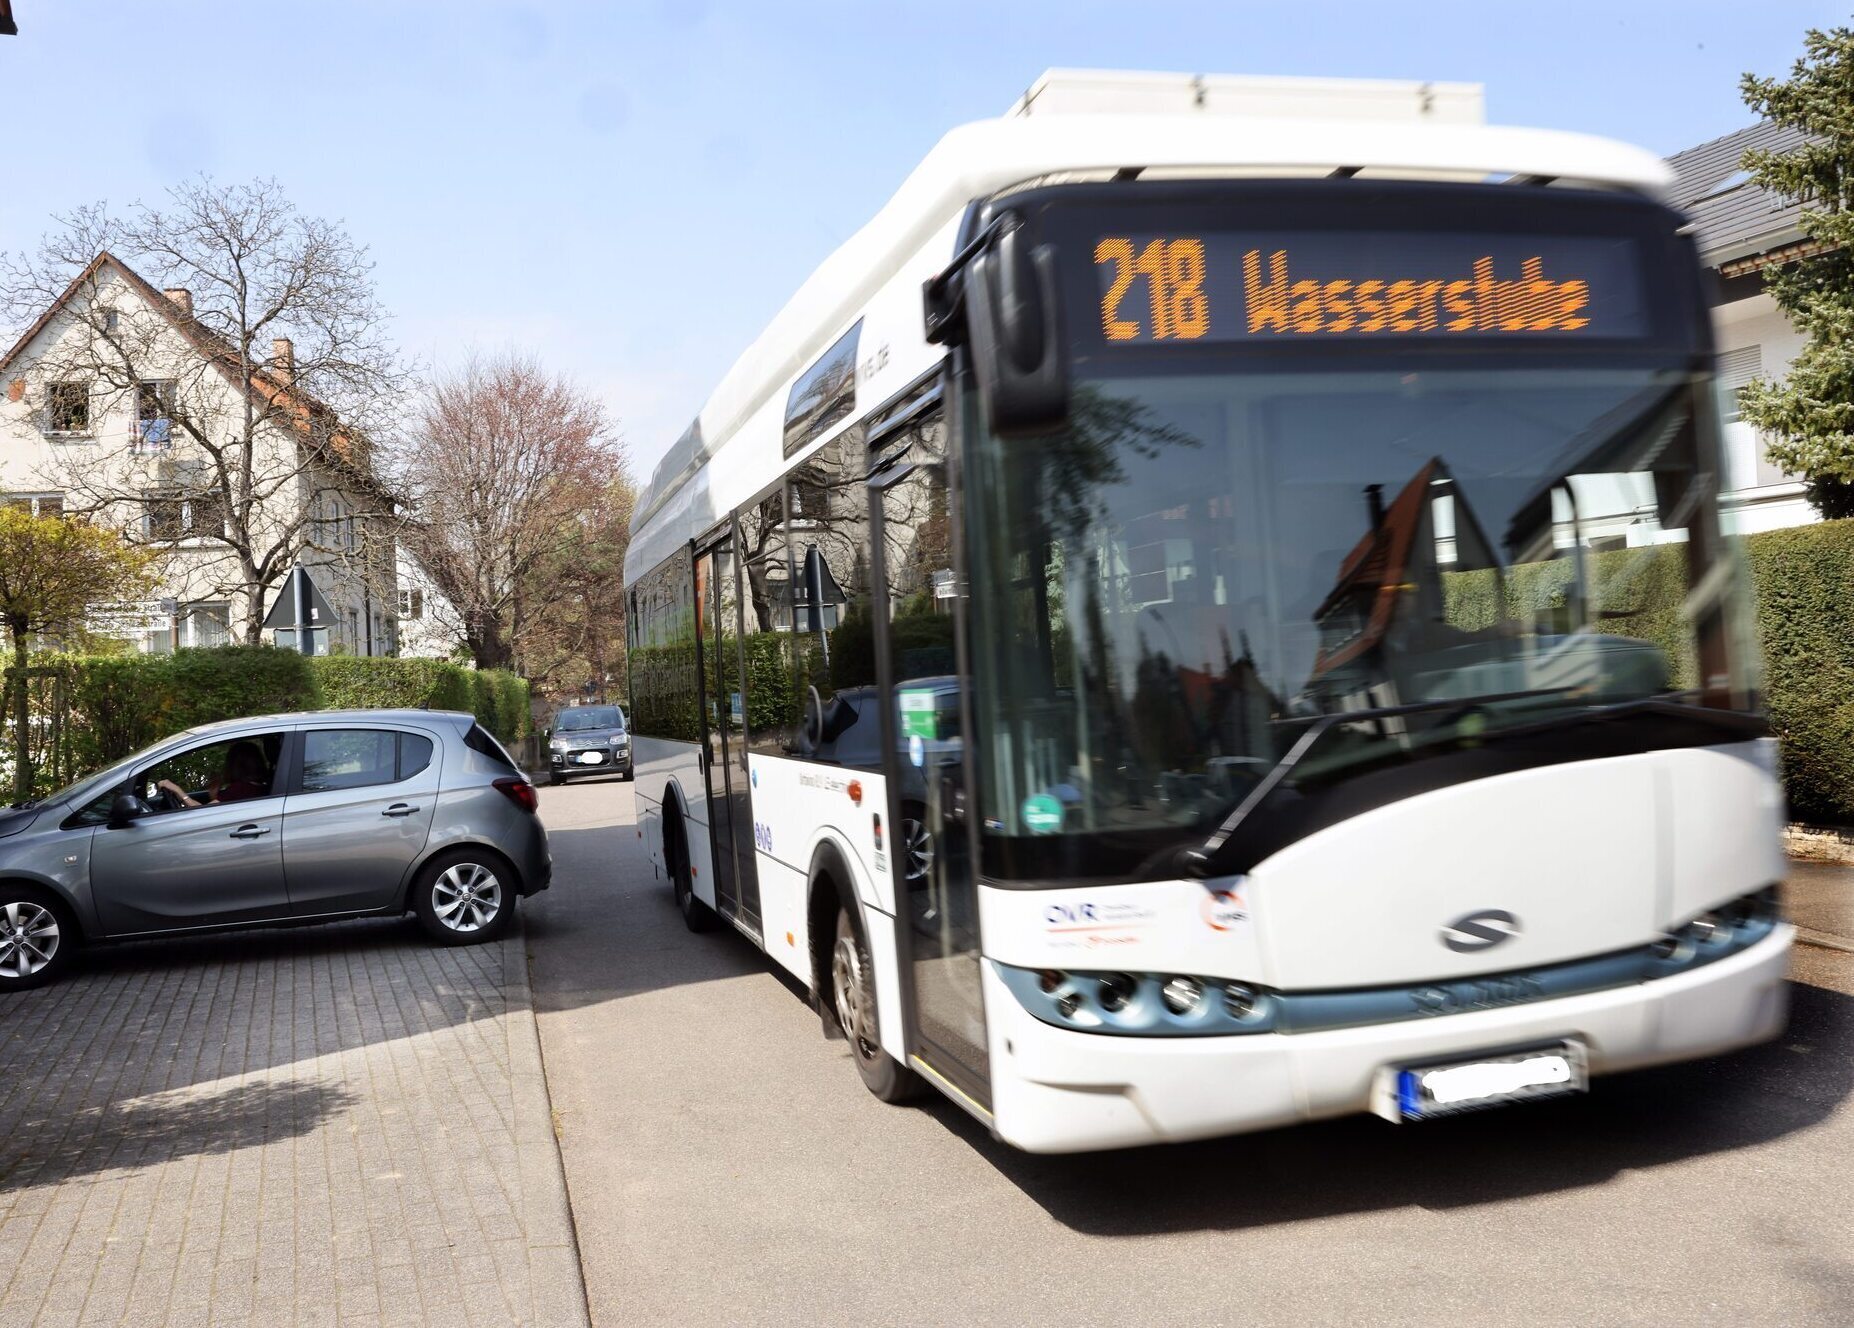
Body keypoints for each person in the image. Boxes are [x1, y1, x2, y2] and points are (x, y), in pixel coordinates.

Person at [157, 741, 269, 808]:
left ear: (236, 765)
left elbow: (202, 813)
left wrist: (177, 790)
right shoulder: (258, 786)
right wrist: (214, 795)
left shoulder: (240, 789)